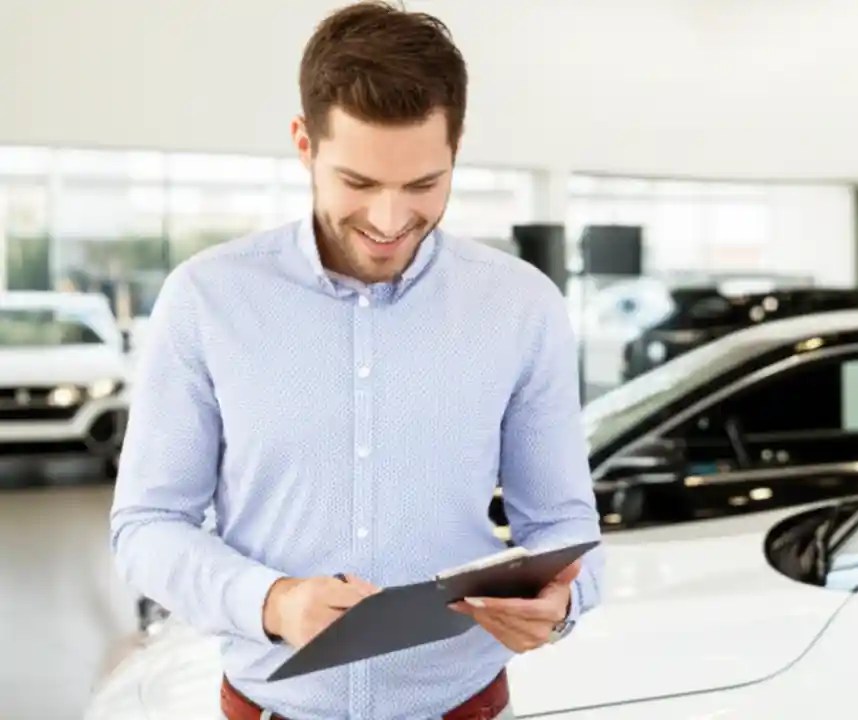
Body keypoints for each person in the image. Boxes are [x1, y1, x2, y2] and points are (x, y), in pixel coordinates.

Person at [108, 2, 604, 718]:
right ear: (304, 144)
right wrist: (273, 601)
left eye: (424, 185)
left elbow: (563, 523)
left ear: (456, 150)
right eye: (360, 183)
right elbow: (147, 525)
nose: (388, 219)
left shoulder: (522, 306)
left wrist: (562, 603)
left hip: (464, 704)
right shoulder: (205, 301)